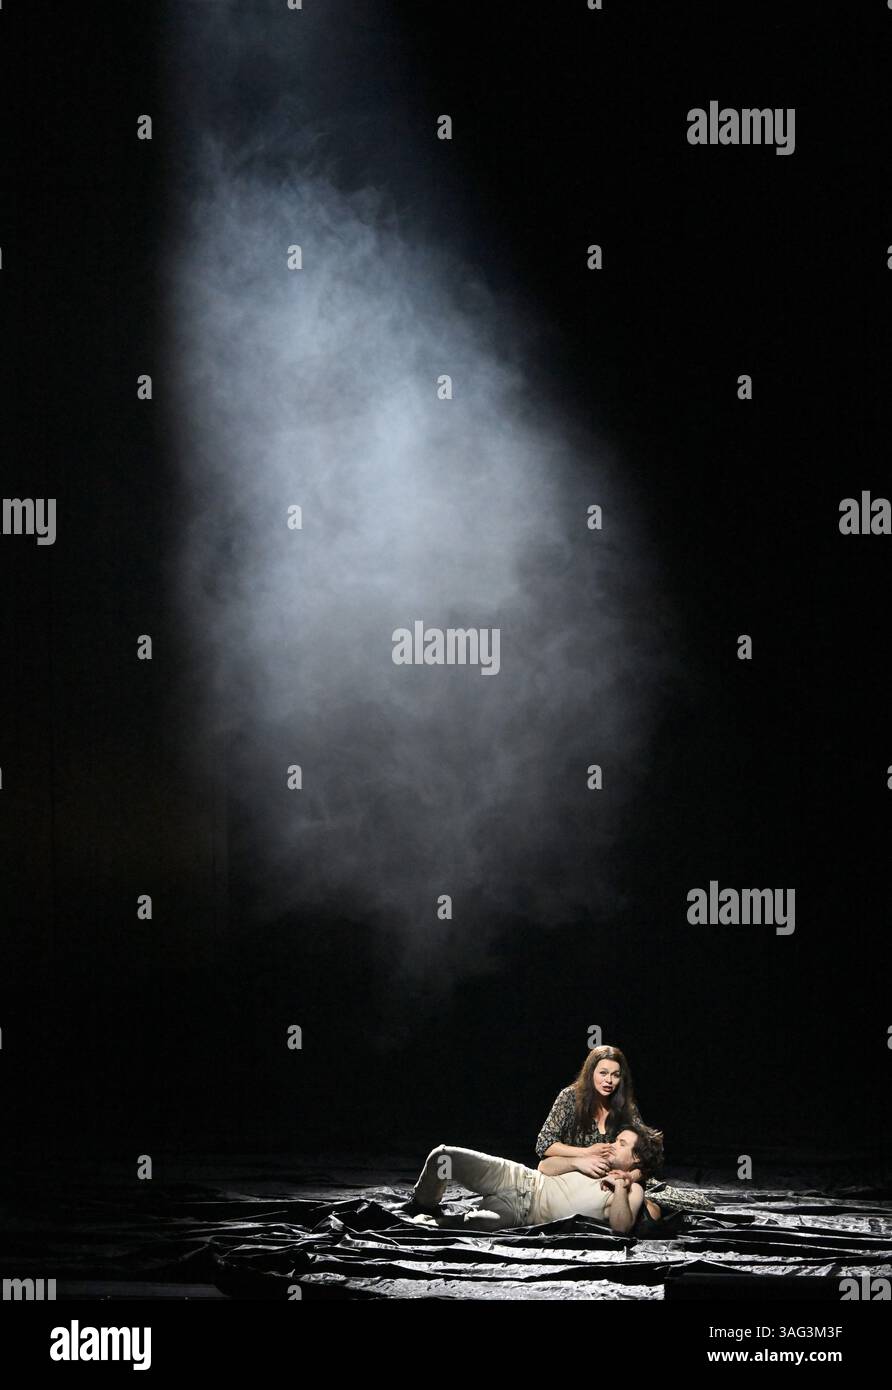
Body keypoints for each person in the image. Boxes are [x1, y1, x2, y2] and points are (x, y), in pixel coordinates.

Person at [535, 1043, 714, 1224]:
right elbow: (545, 1144)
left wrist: (630, 1177)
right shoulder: (569, 1097)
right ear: (591, 1073)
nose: (609, 1081)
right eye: (603, 1073)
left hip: (616, 1179)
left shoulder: (625, 1107)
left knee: (693, 1206)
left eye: (615, 1075)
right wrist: (586, 1153)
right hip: (576, 1175)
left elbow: (648, 1152)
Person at [401, 1122, 662, 1234]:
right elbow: (544, 1167)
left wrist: (619, 1185)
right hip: (518, 1178)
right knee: (443, 1156)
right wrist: (578, 1160)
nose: (613, 1144)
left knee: (436, 1228)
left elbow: (621, 1228)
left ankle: (428, 1217)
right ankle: (422, 1204)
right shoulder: (598, 1159)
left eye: (622, 1143)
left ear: (636, 1157)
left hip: (519, 1214)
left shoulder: (631, 1190)